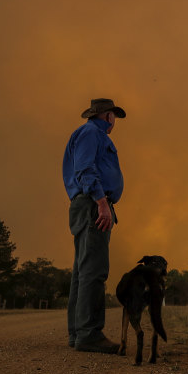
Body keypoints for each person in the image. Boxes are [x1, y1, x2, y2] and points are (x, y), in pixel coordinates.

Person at [62, 98, 125, 353]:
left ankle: (78, 333)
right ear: (107, 116)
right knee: (94, 270)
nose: (115, 122)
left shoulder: (89, 134)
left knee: (82, 271)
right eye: (114, 116)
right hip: (92, 205)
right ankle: (89, 334)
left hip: (87, 204)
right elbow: (85, 169)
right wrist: (101, 202)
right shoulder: (91, 133)